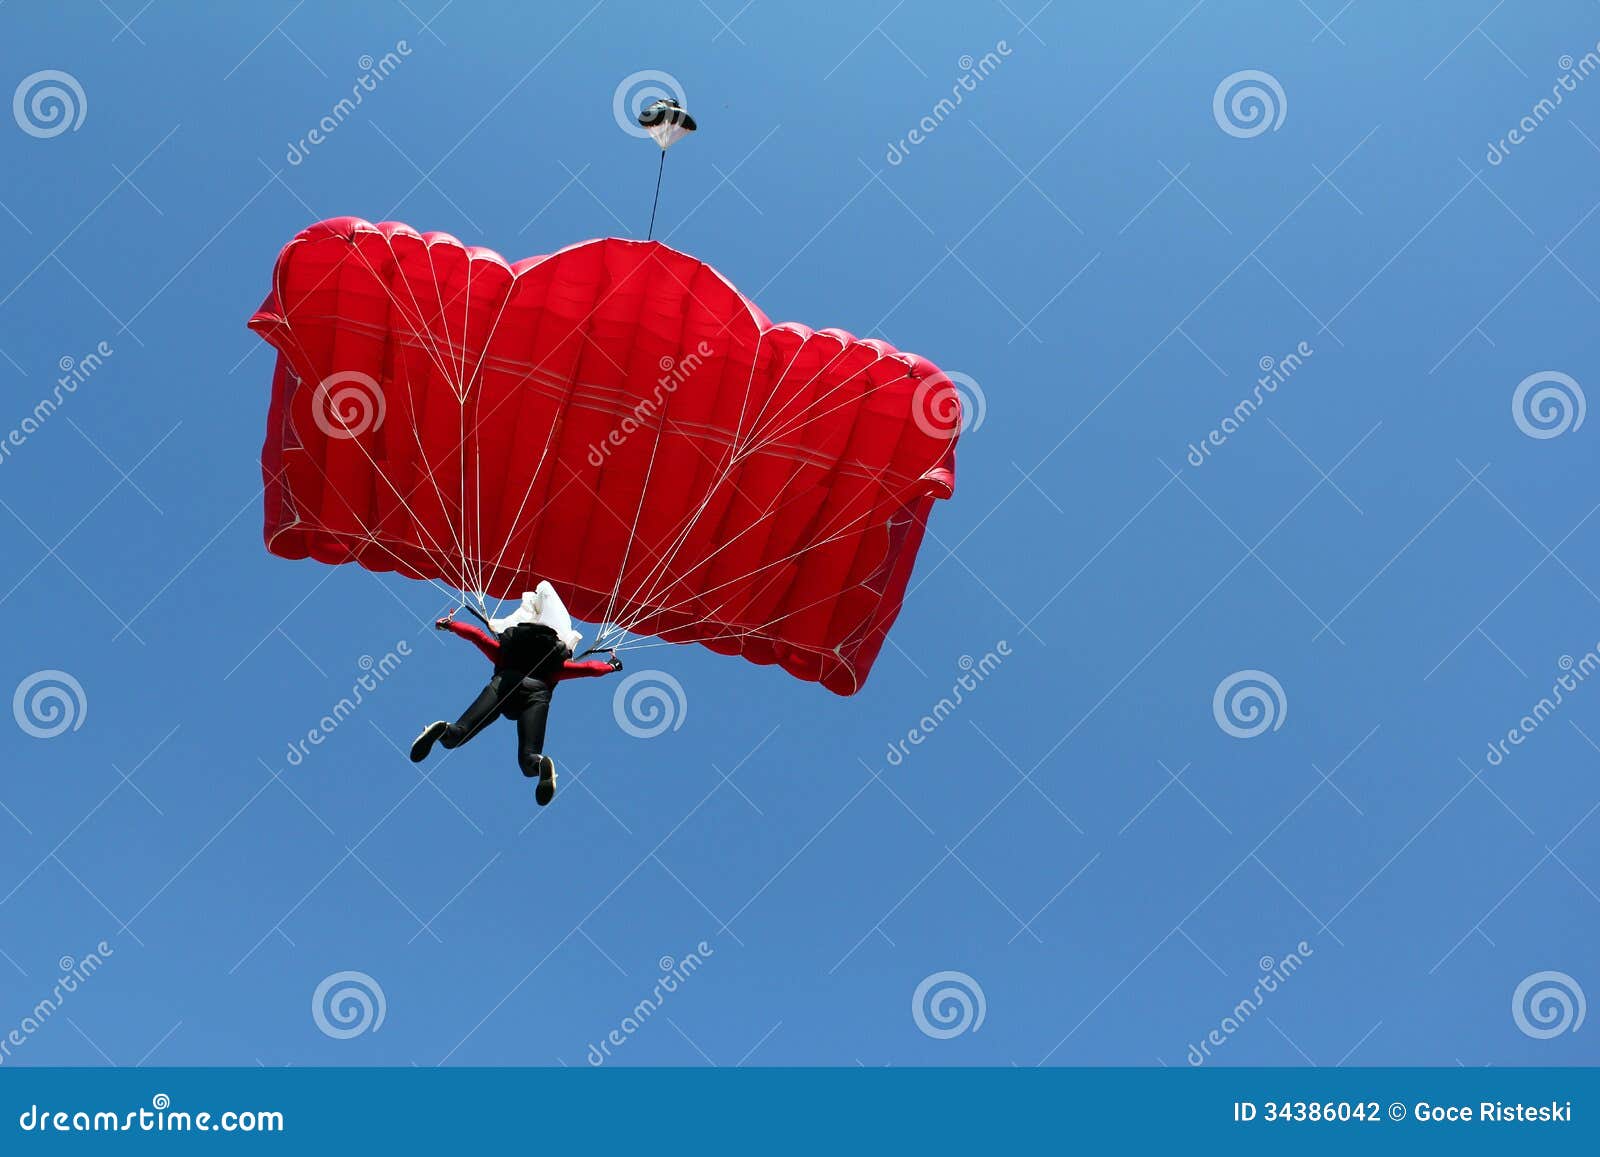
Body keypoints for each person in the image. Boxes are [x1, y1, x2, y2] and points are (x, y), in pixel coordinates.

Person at [409, 613, 621, 805]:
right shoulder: (557, 667)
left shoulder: (503, 653)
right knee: (528, 760)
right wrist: (612, 665)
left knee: (457, 735)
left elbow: (476, 635)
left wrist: (450, 624)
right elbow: (590, 669)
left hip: (503, 685)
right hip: (536, 694)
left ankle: (444, 729)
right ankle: (539, 763)